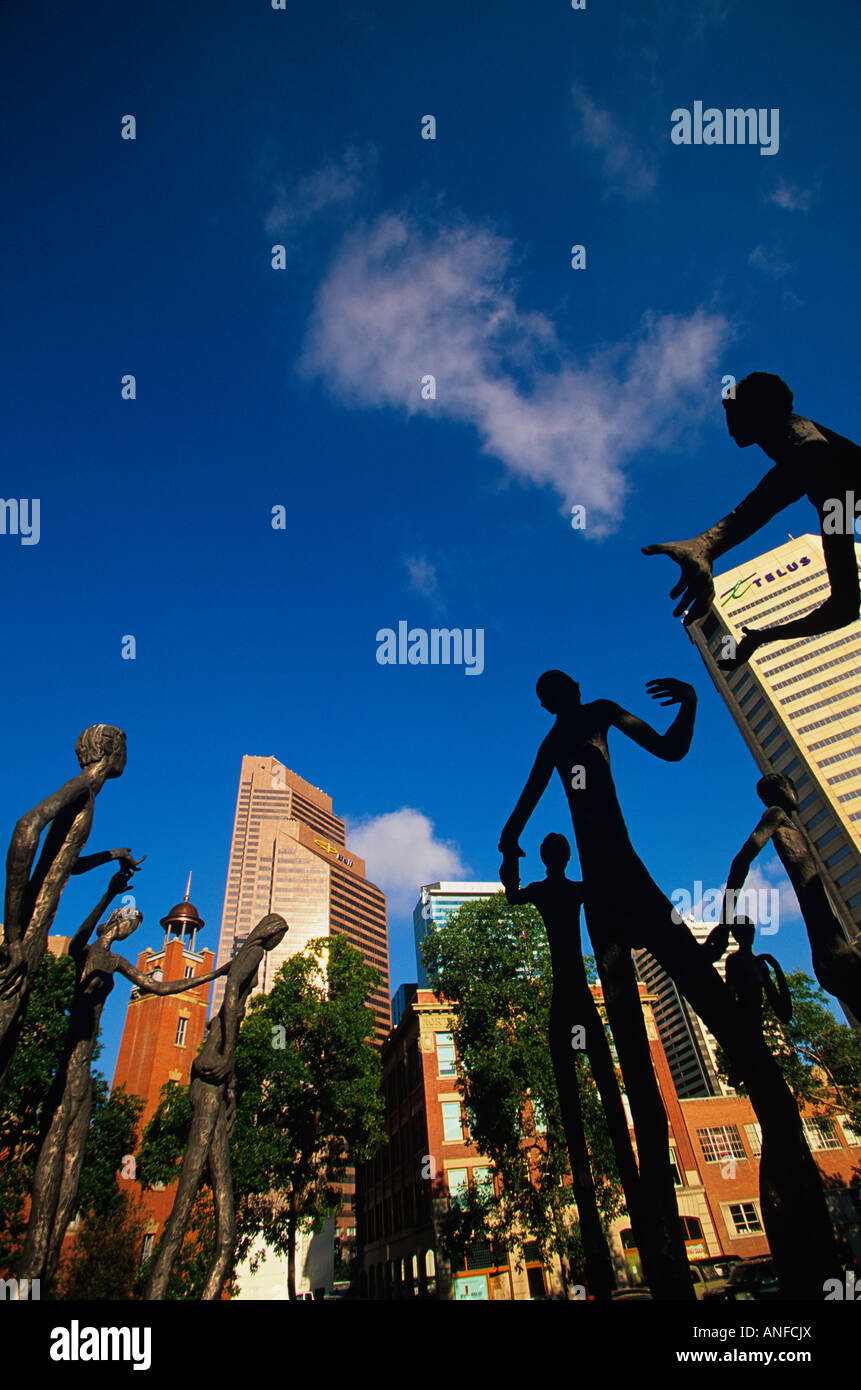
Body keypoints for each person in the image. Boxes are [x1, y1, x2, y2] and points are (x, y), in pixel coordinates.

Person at [19, 877, 231, 1286]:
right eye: (124, 922)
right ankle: (38, 1267)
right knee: (60, 1156)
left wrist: (211, 977)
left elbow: (155, 984)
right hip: (75, 1052)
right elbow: (80, 942)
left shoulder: (123, 963)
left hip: (85, 1068)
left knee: (76, 1154)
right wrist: (110, 889)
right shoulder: (92, 952)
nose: (128, 928)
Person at [643, 373, 861, 671]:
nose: (729, 425)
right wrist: (762, 637)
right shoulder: (835, 502)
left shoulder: (808, 445)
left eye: (734, 412)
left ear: (763, 409)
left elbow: (809, 455)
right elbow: (844, 607)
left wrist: (710, 543)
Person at [500, 833, 635, 1300]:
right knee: (604, 1095)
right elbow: (611, 891)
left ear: (544, 858)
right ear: (568, 857)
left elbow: (512, 892)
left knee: (571, 1105)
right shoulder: (577, 889)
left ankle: (587, 1190)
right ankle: (628, 1183)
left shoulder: (543, 891)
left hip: (562, 999)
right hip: (581, 995)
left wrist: (507, 857)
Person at [145, 913, 288, 1301]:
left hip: (217, 1084)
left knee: (225, 1226)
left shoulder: (246, 955)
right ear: (271, 934)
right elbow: (228, 998)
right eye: (279, 937)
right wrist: (226, 1056)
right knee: (186, 1203)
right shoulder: (253, 954)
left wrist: (232, 1083)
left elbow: (218, 984)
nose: (276, 943)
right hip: (210, 1078)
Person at [0, 724, 140, 1097]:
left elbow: (68, 863)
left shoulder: (88, 795)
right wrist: (13, 936)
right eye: (124, 746)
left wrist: (113, 855)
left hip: (34, 930)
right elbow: (26, 827)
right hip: (26, 933)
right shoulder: (80, 788)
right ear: (109, 749)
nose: (128, 755)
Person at [717, 772, 861, 1020]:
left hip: (834, 940)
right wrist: (724, 920)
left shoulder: (789, 823)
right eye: (788, 786)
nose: (794, 792)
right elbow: (742, 859)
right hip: (831, 948)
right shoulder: (775, 814)